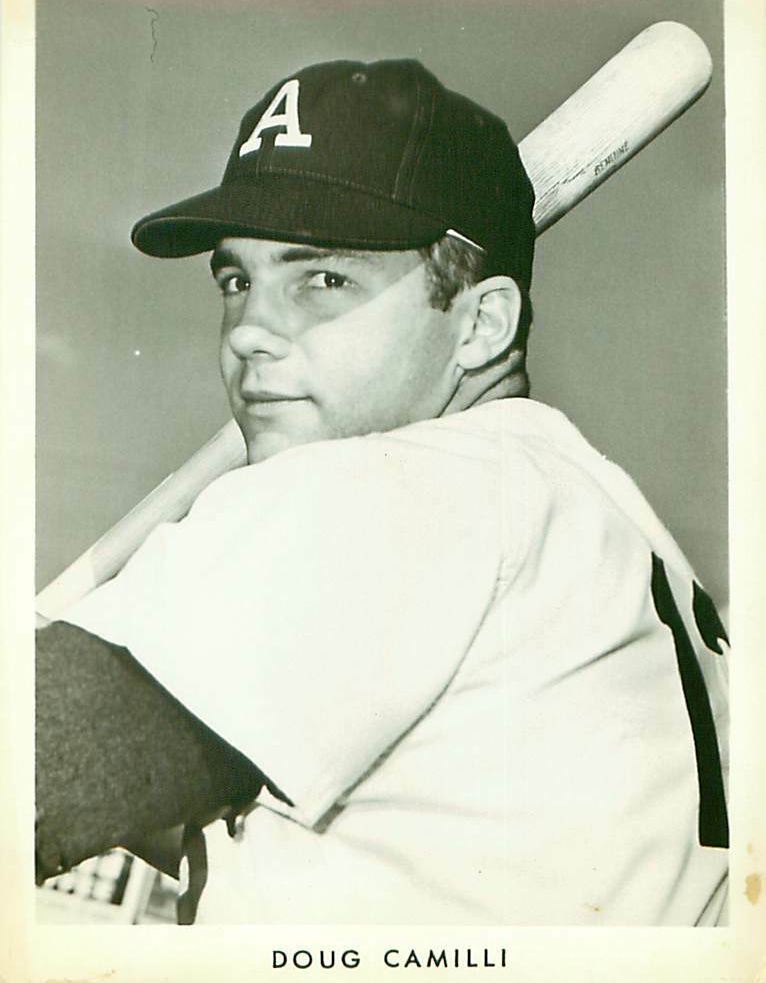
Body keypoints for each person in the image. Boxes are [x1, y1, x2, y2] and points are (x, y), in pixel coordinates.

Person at [35, 58, 729, 926]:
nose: (250, 331)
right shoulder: (599, 522)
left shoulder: (390, 492)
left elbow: (32, 779)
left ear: (481, 324)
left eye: (322, 280)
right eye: (236, 280)